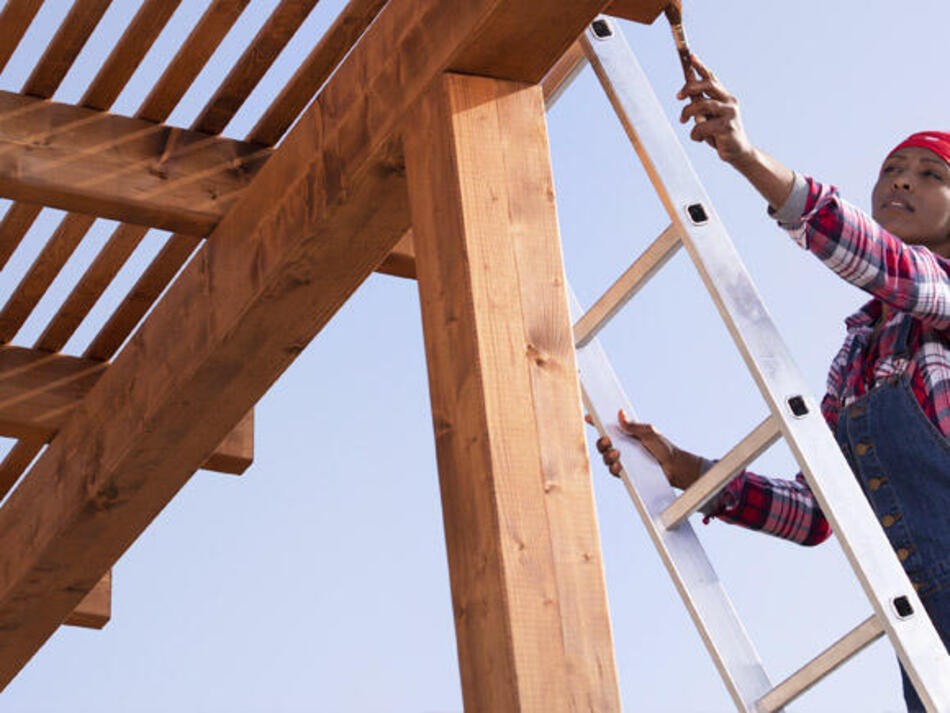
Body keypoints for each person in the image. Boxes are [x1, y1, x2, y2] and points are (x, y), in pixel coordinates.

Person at [594, 55, 950, 712]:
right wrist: (688, 468)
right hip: (927, 634)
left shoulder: (940, 293)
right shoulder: (854, 364)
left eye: (932, 176)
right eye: (892, 171)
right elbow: (821, 511)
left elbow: (891, 267)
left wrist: (746, 157)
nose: (902, 181)